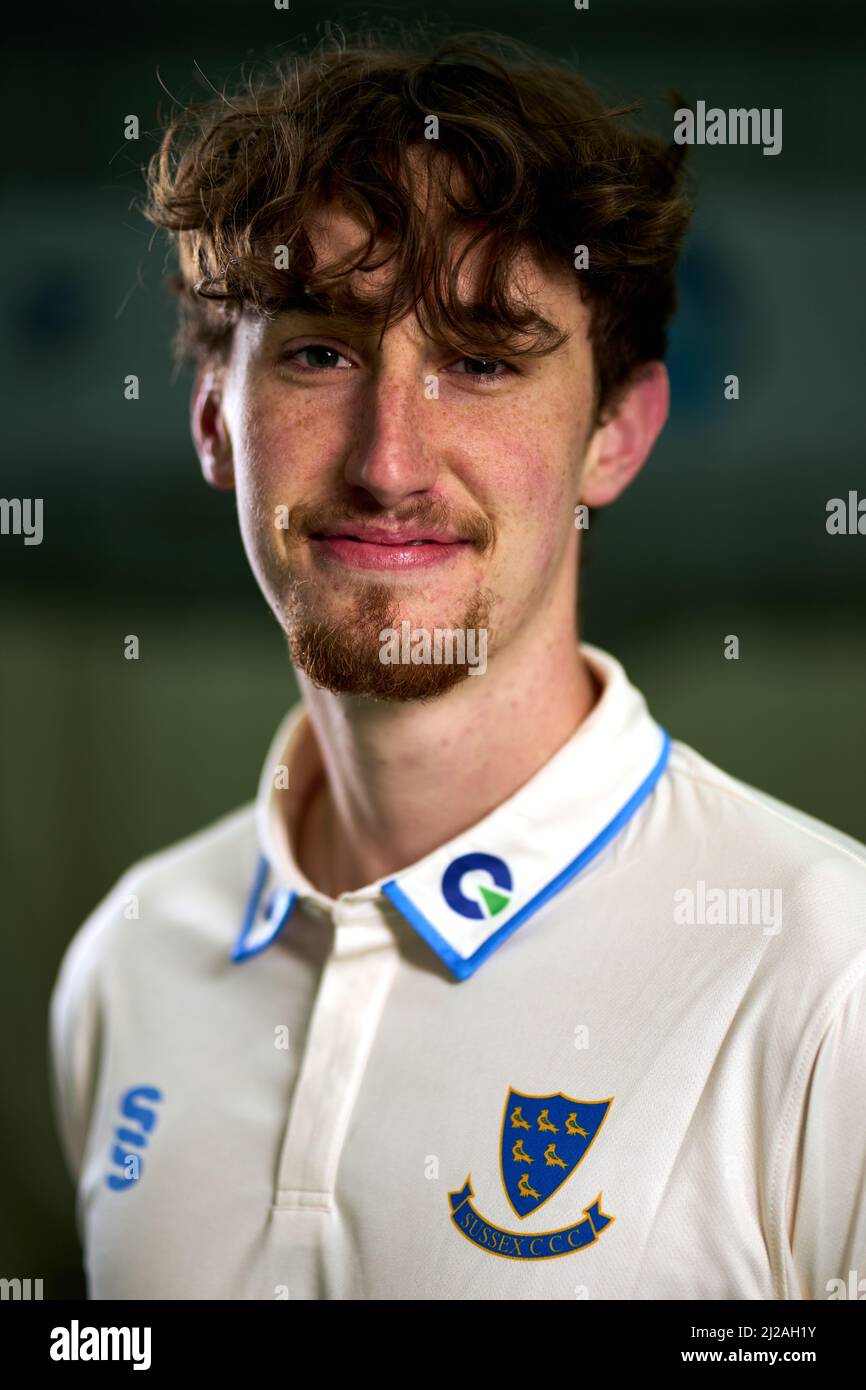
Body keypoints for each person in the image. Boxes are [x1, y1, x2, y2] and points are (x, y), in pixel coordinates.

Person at [48, 32, 866, 1300]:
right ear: (215, 417)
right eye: (320, 348)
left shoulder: (830, 979)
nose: (389, 461)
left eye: (482, 361)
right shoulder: (127, 964)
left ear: (616, 433)